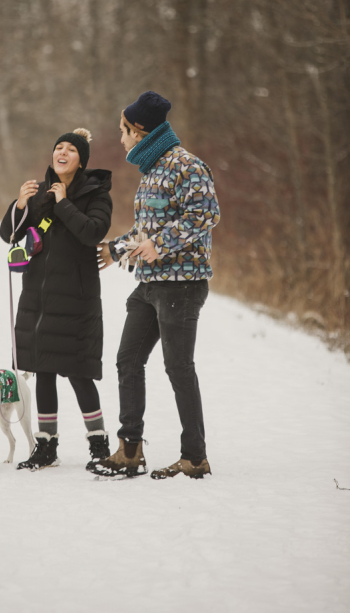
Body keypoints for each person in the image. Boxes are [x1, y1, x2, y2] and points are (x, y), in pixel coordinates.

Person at [92, 91, 220, 479]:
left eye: (123, 131)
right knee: (128, 360)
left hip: (181, 284)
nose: (120, 138)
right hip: (149, 285)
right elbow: (148, 231)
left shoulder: (186, 165)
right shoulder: (152, 171)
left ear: (140, 130)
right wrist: (117, 249)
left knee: (178, 367)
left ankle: (194, 458)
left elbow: (206, 214)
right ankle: (130, 449)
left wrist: (159, 244)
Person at [0, 128, 113, 470]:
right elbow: (10, 234)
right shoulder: (38, 195)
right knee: (44, 370)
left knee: (79, 372)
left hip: (76, 299)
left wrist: (63, 202)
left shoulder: (97, 194)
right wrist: (19, 204)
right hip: (39, 299)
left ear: (82, 160)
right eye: (58, 148)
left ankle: (99, 444)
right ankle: (46, 446)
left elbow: (93, 232)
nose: (62, 153)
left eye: (70, 150)